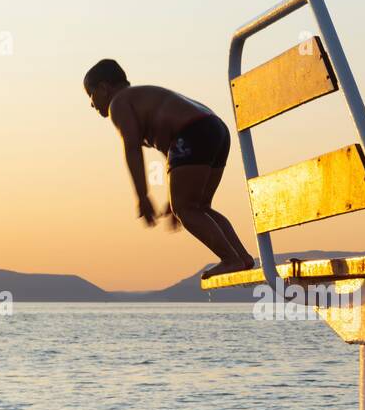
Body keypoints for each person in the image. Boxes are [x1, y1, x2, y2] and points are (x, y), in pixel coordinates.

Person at [83, 59, 254, 277]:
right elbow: (173, 158)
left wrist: (143, 196)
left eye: (90, 95)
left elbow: (132, 149)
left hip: (193, 131)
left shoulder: (119, 102)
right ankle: (242, 258)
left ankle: (230, 259)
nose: (91, 104)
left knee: (188, 209)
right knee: (199, 207)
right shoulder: (144, 98)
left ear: (103, 88)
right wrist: (173, 199)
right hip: (215, 128)